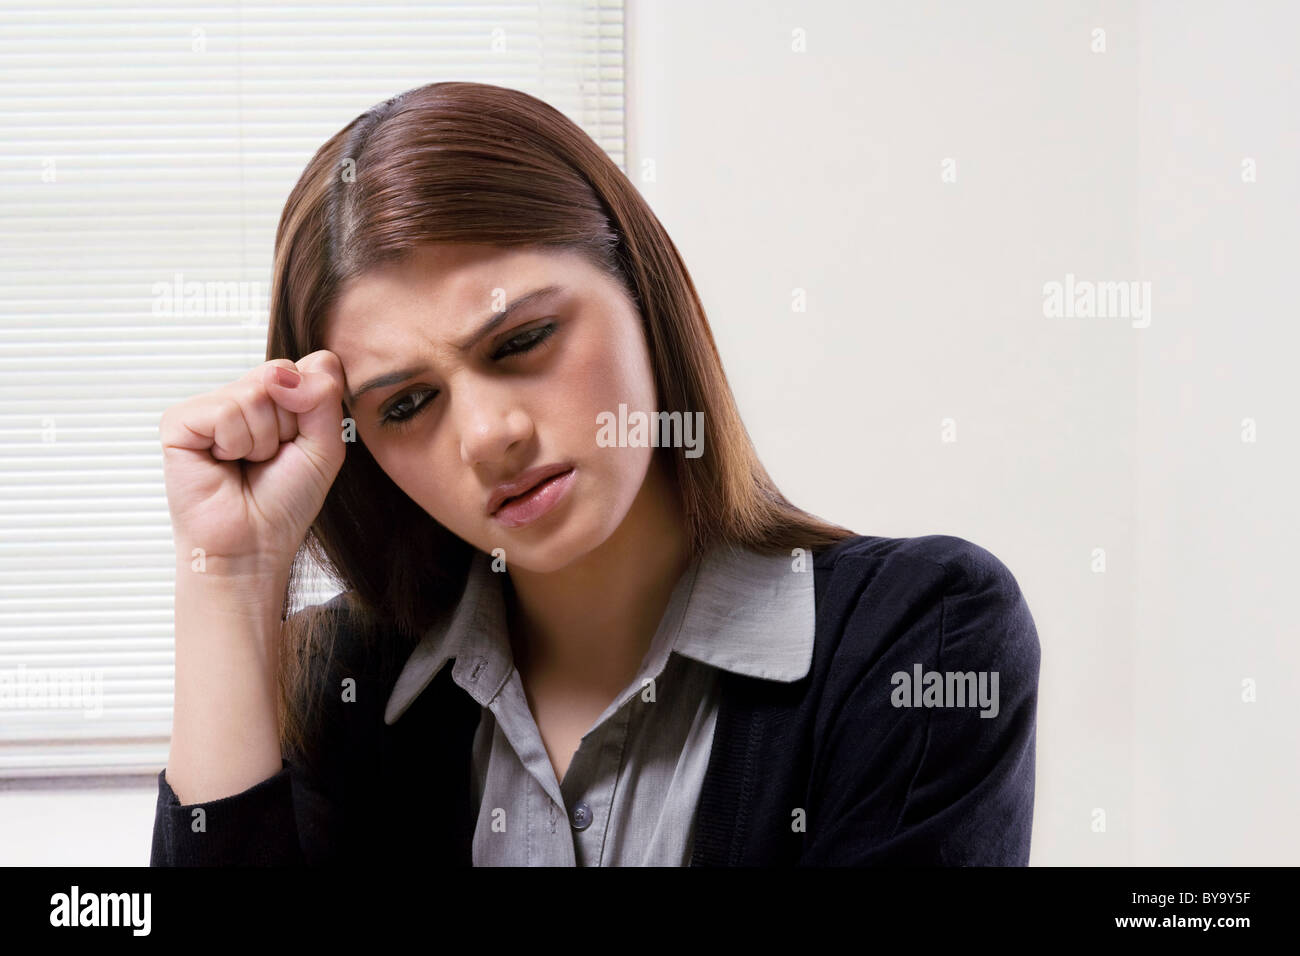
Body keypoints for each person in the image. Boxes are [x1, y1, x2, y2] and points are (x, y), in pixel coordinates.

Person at [150, 81, 1040, 867]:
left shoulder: (923, 638)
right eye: (409, 405)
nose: (490, 435)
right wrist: (228, 577)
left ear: (641, 292)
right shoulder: (349, 692)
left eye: (524, 341)